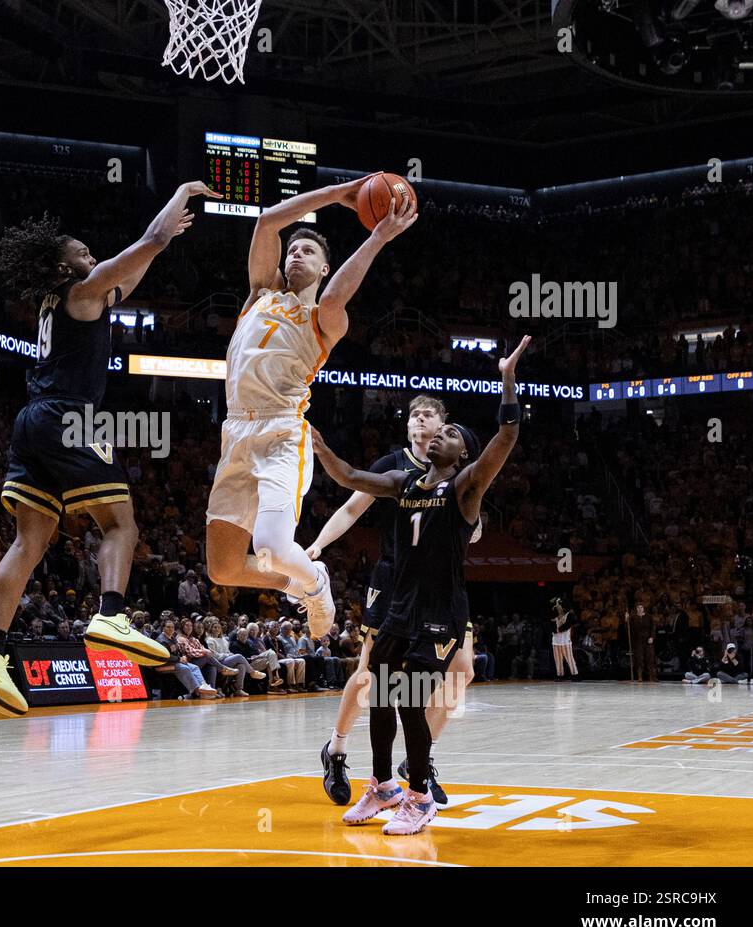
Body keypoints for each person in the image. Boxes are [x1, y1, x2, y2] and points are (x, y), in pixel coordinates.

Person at [0, 185, 213, 715]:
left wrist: (153, 250)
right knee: (121, 522)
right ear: (61, 265)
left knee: (29, 541)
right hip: (70, 417)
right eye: (82, 253)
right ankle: (111, 614)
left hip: (31, 419)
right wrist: (181, 195)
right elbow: (150, 237)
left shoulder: (60, 302)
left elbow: (131, 271)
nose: (92, 259)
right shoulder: (80, 290)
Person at [316, 335, 530, 835]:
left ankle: (418, 796)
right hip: (399, 607)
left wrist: (506, 379)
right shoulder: (402, 481)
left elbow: (507, 436)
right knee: (381, 692)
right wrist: (316, 440)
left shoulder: (466, 485)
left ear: (462, 453)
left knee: (412, 699)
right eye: (437, 432)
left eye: (450, 433)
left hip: (439, 610)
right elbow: (349, 476)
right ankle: (383, 786)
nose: (438, 435)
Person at [204, 175, 415, 657]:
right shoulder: (259, 295)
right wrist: (343, 192)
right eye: (292, 250)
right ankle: (300, 583)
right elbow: (266, 220)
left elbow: (339, 294)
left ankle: (315, 583)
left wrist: (378, 235)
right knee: (223, 569)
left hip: (281, 431)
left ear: (324, 268)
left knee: (274, 549)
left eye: (308, 252)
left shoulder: (324, 317)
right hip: (235, 432)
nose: (295, 254)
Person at [308, 395, 479, 806]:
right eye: (413, 415)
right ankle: (336, 750)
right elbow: (351, 508)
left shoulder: (458, 472)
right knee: (371, 675)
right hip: (394, 580)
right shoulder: (394, 467)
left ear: (444, 426)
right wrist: (317, 545)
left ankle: (419, 760)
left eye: (429, 414)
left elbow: (473, 532)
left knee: (463, 670)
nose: (419, 419)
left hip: (439, 585)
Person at [627, 602, 656, 683]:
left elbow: (653, 628)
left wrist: (652, 637)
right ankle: (640, 677)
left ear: (643, 608)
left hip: (648, 640)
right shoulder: (633, 618)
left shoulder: (649, 617)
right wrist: (627, 620)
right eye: (638, 607)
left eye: (641, 607)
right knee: (639, 658)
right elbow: (629, 629)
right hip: (638, 641)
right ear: (636, 609)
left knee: (650, 658)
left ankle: (651, 676)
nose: (640, 609)